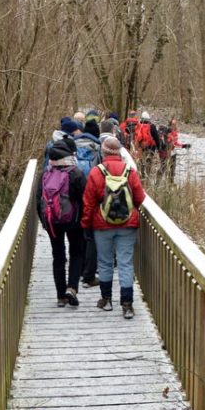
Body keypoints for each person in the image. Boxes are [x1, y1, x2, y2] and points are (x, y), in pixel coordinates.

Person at [81, 136, 146, 319]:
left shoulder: (96, 172)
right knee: (125, 263)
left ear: (103, 152)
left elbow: (88, 202)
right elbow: (140, 199)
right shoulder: (130, 171)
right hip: (128, 225)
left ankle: (106, 300)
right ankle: (127, 305)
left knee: (105, 262)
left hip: (102, 225)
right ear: (120, 153)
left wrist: (86, 224)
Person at [35, 140, 87, 307]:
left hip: (52, 222)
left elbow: (38, 201)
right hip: (74, 221)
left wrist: (44, 221)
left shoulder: (45, 175)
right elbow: (84, 199)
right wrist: (84, 220)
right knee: (76, 254)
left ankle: (60, 296)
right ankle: (72, 288)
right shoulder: (76, 173)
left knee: (58, 256)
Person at [159, 117, 189, 183]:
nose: (175, 126)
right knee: (164, 168)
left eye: (175, 124)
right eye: (173, 124)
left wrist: (183, 146)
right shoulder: (168, 133)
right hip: (166, 153)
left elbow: (175, 143)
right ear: (170, 125)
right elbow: (170, 143)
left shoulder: (174, 132)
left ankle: (170, 183)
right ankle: (159, 183)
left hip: (172, 153)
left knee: (172, 170)